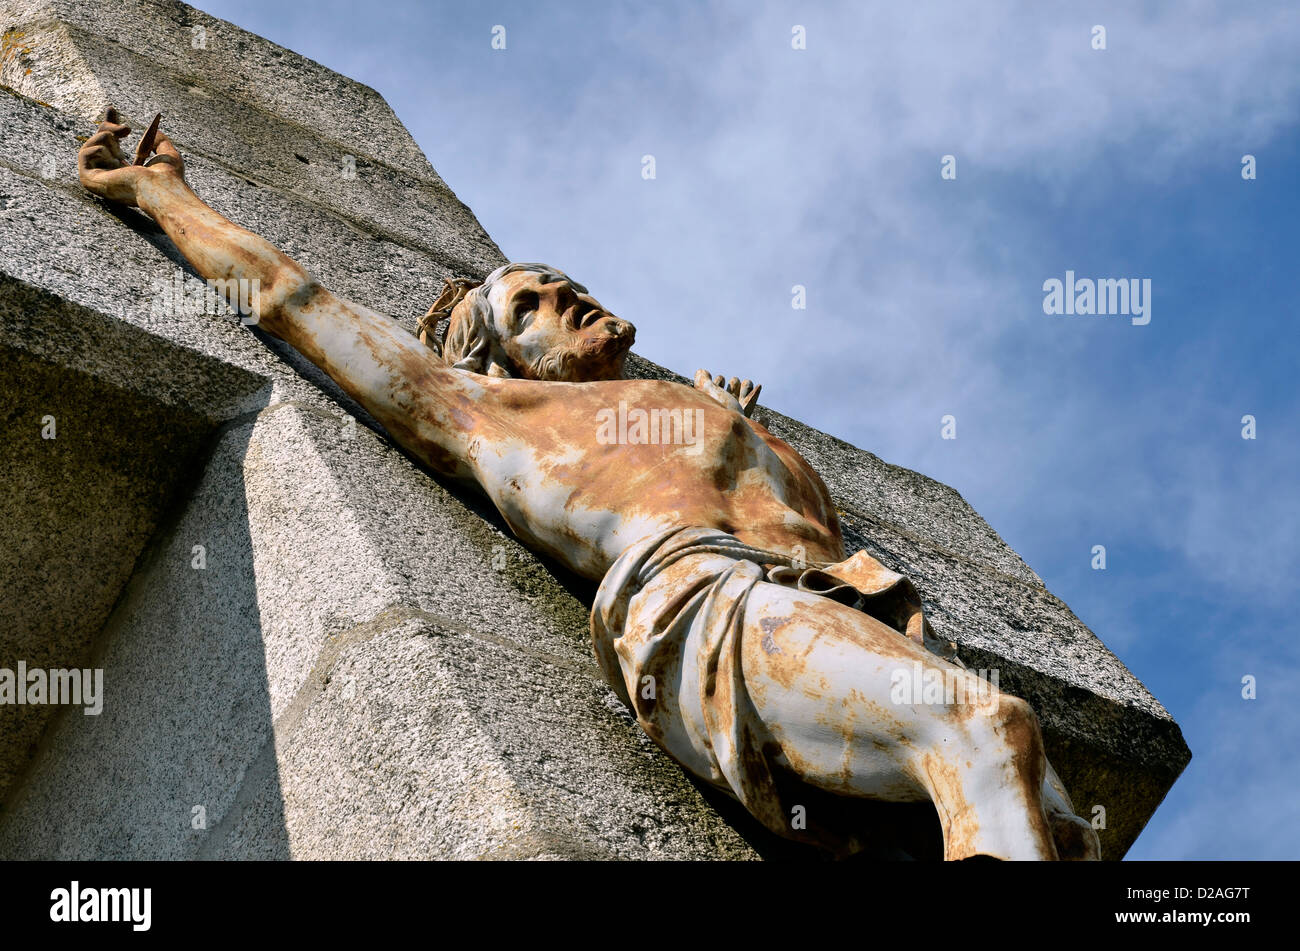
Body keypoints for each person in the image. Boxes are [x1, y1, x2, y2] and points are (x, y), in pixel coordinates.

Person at [77, 110, 1099, 860]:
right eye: (531, 303)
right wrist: (161, 192)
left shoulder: (705, 416)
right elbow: (297, 300)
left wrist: (739, 429)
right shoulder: (484, 411)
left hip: (858, 605)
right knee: (980, 728)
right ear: (499, 356)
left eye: (565, 284)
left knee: (1055, 830)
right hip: (713, 605)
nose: (565, 294)